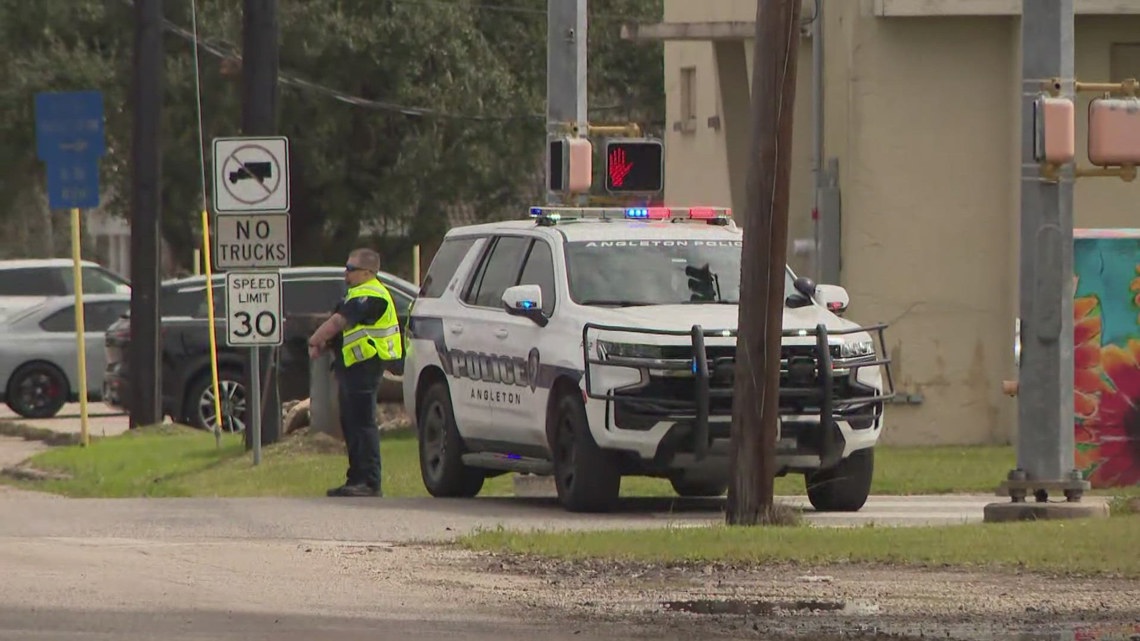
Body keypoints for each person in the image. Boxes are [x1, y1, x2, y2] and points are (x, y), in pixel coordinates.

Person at [307, 248, 403, 497]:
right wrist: (326, 345)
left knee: (362, 423)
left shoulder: (371, 295)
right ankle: (356, 479)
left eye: (351, 269)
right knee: (350, 422)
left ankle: (369, 481)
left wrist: (315, 339)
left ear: (368, 272)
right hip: (352, 365)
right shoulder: (356, 294)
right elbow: (345, 329)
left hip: (366, 365)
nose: (345, 273)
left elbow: (339, 322)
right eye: (346, 267)